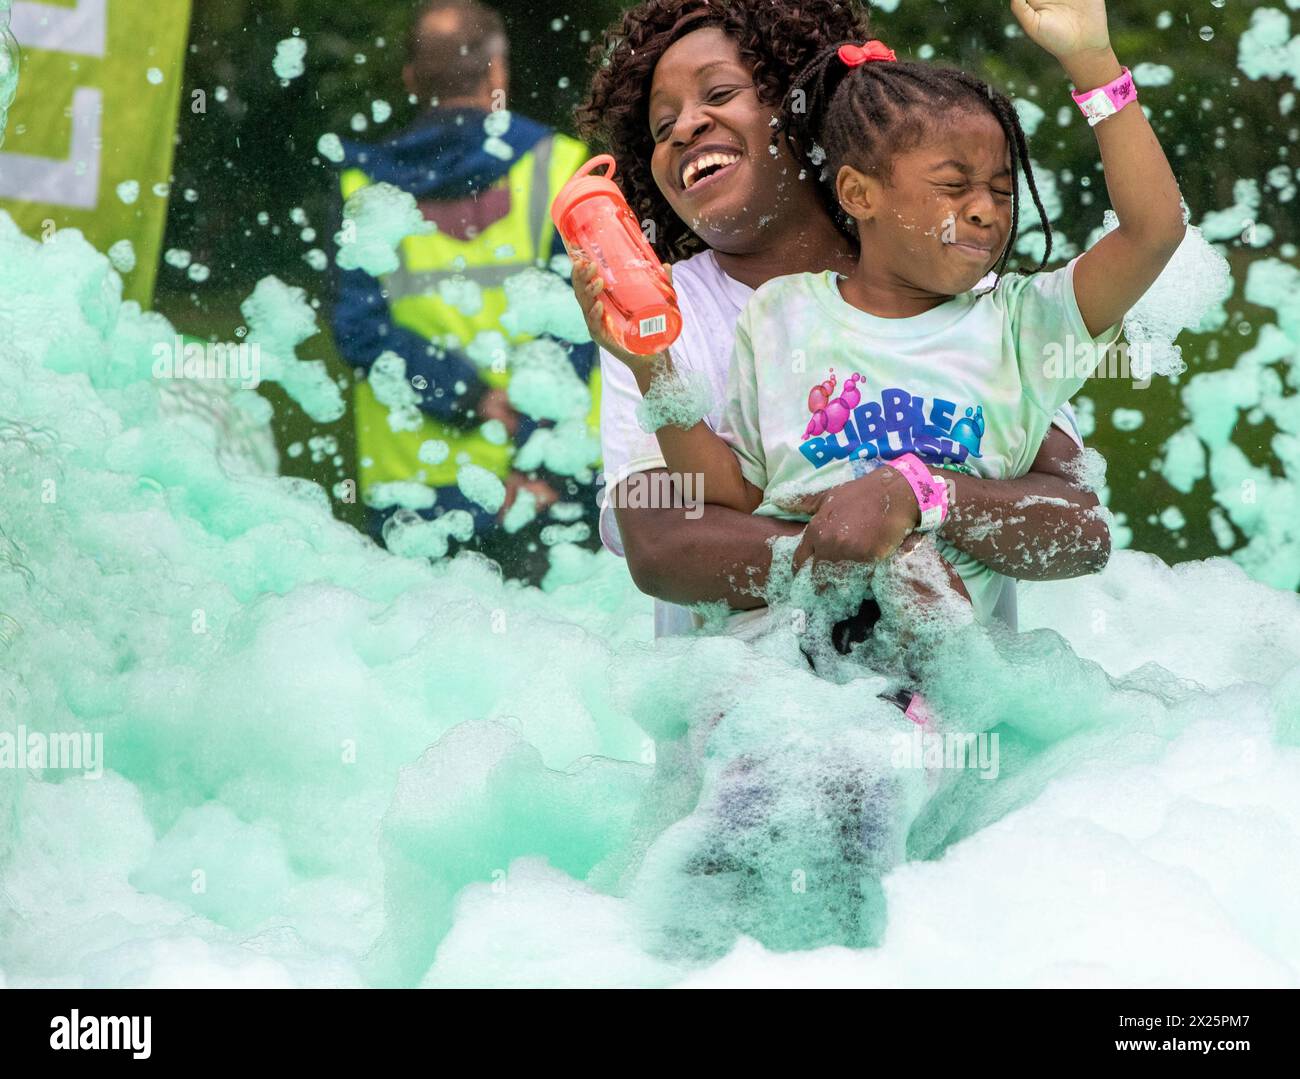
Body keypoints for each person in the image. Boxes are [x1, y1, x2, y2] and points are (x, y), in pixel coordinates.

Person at [578, 0, 1184, 710]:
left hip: (952, 751)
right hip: (751, 739)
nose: (686, 126)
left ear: (805, 115)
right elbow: (661, 538)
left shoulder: (983, 310)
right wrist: (847, 549)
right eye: (660, 125)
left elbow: (1075, 526)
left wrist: (914, 496)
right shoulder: (671, 320)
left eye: (719, 94)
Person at [330, 0, 599, 582]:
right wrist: (538, 453)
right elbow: (584, 321)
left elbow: (361, 331)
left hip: (415, 487)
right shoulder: (563, 167)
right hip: (546, 474)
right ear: (497, 73)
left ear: (409, 80)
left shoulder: (360, 185)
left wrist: (469, 396)